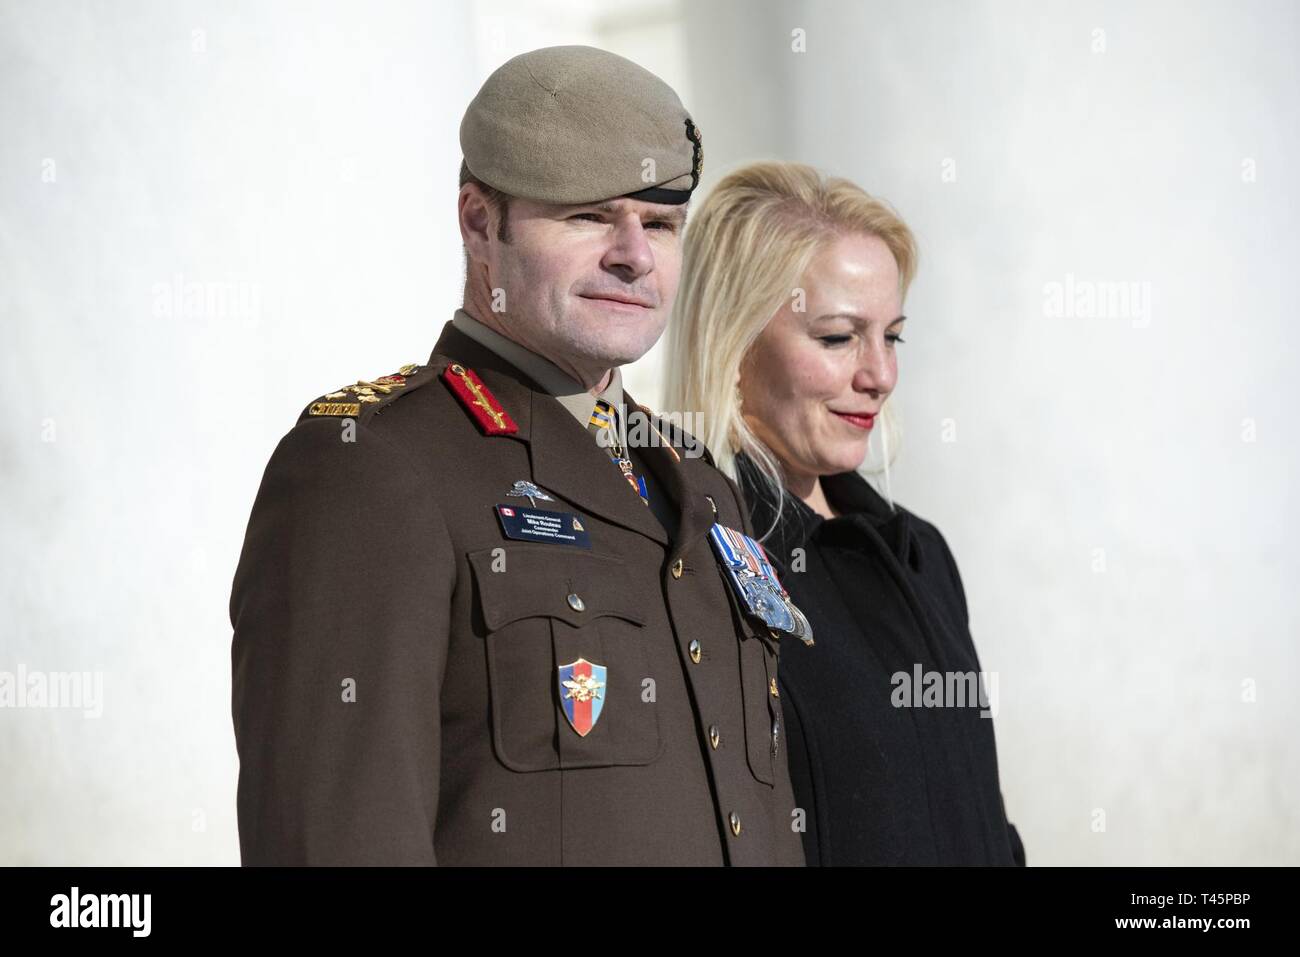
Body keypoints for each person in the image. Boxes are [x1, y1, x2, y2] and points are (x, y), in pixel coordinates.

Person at [229, 46, 806, 866]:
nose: (634, 254)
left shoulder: (699, 481)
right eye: (588, 216)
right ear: (478, 222)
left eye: (662, 224)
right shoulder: (371, 466)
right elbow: (333, 839)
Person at [663, 160, 1025, 865]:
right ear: (731, 342)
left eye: (892, 336)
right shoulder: (695, 562)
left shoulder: (919, 551)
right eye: (837, 336)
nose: (880, 374)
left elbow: (981, 815)